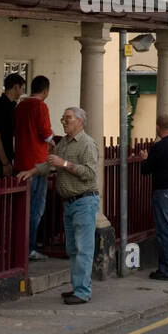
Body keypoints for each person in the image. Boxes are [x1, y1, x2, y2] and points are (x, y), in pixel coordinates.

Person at [19, 106, 99, 304]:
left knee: (83, 248)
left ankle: (82, 291)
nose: (63, 121)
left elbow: (89, 173)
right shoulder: (64, 142)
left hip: (84, 201)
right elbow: (50, 164)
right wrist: (32, 172)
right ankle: (77, 288)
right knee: (72, 248)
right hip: (70, 203)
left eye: (68, 118)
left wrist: (64, 164)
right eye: (63, 118)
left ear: (80, 121)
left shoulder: (87, 144)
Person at [136, 114, 168, 280]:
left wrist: (144, 159)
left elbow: (146, 170)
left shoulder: (159, 147)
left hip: (164, 191)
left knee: (165, 232)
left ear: (158, 127)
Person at [14, 75, 54, 260]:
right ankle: (29, 247)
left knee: (22, 207)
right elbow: (45, 132)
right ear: (45, 91)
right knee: (36, 207)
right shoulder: (40, 106)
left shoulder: (20, 105)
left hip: (21, 161)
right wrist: (52, 141)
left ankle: (18, 244)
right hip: (36, 163)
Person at [0, 73, 26, 179]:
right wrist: (5, 163)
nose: (22, 92)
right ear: (16, 87)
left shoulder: (11, 107)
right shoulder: (0, 105)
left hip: (6, 157)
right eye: (22, 88)